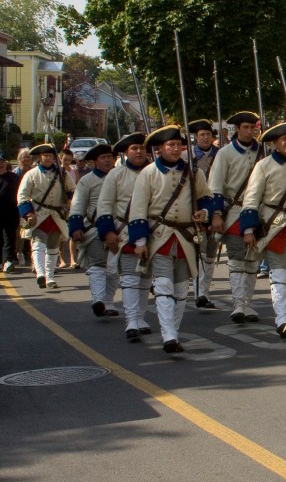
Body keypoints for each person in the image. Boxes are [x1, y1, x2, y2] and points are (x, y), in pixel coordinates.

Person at [129, 126, 210, 353]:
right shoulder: (148, 173)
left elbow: (207, 198)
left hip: (185, 237)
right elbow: (138, 209)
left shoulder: (194, 173)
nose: (175, 149)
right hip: (160, 236)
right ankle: (169, 335)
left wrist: (204, 212)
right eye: (170, 145)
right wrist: (140, 242)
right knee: (163, 286)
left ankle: (173, 330)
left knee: (181, 289)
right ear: (160, 148)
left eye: (178, 145)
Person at [239, 122, 286, 335]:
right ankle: (281, 318)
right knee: (279, 274)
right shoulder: (264, 166)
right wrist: (248, 229)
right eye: (284, 139)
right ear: (275, 143)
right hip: (275, 225)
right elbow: (251, 198)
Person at [97, 132, 154, 341]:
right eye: (134, 149)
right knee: (130, 277)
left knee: (146, 277)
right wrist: (108, 231)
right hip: (126, 232)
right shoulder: (115, 175)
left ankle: (140, 316)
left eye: (142, 148)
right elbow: (105, 205)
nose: (139, 152)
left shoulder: (155, 171)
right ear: (126, 152)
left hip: (153, 231)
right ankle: (131, 320)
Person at [209, 111, 265, 323]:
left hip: (258, 211)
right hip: (234, 212)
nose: (249, 132)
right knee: (236, 258)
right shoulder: (225, 153)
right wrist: (216, 214)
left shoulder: (263, 152)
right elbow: (215, 187)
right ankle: (238, 304)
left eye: (252, 128)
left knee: (253, 261)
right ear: (238, 129)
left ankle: (247, 303)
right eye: (245, 128)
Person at [68, 143, 121, 317]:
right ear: (95, 161)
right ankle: (98, 300)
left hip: (121, 228)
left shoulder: (122, 176)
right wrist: (76, 227)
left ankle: (108, 301)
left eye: (109, 157)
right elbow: (78, 205)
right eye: (103, 157)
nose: (107, 160)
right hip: (95, 229)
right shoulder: (87, 180)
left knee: (114, 269)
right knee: (98, 265)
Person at [17, 143, 76, 289]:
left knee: (53, 246)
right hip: (39, 214)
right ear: (39, 157)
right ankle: (40, 273)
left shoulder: (63, 173)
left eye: (50, 155)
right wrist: (29, 213)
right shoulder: (31, 174)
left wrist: (70, 199)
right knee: (38, 244)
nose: (48, 158)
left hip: (56, 214)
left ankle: (50, 277)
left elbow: (72, 190)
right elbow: (22, 196)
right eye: (45, 155)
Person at [188, 119, 220, 309]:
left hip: (215, 206)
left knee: (210, 253)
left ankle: (204, 292)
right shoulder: (188, 156)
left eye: (208, 134)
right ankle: (199, 292)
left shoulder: (220, 154)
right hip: (196, 207)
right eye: (202, 135)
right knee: (199, 250)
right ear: (196, 137)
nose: (206, 138)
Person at [59, 148, 79, 269]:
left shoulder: (74, 171)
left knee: (72, 232)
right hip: (61, 207)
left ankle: (73, 259)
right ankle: (61, 259)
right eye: (65, 159)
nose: (67, 162)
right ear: (60, 158)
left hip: (72, 205)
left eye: (69, 160)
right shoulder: (58, 171)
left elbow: (78, 187)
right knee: (61, 234)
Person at [14, 148, 34, 266]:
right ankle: (19, 252)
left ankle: (31, 253)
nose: (26, 159)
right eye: (24, 157)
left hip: (33, 204)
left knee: (32, 229)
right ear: (19, 159)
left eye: (28, 157)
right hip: (20, 204)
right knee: (20, 230)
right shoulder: (15, 173)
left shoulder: (34, 172)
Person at [0, 154, 19, 273]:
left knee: (9, 238)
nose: (0, 164)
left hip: (10, 213)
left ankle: (8, 261)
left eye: (2, 161)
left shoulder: (14, 177)